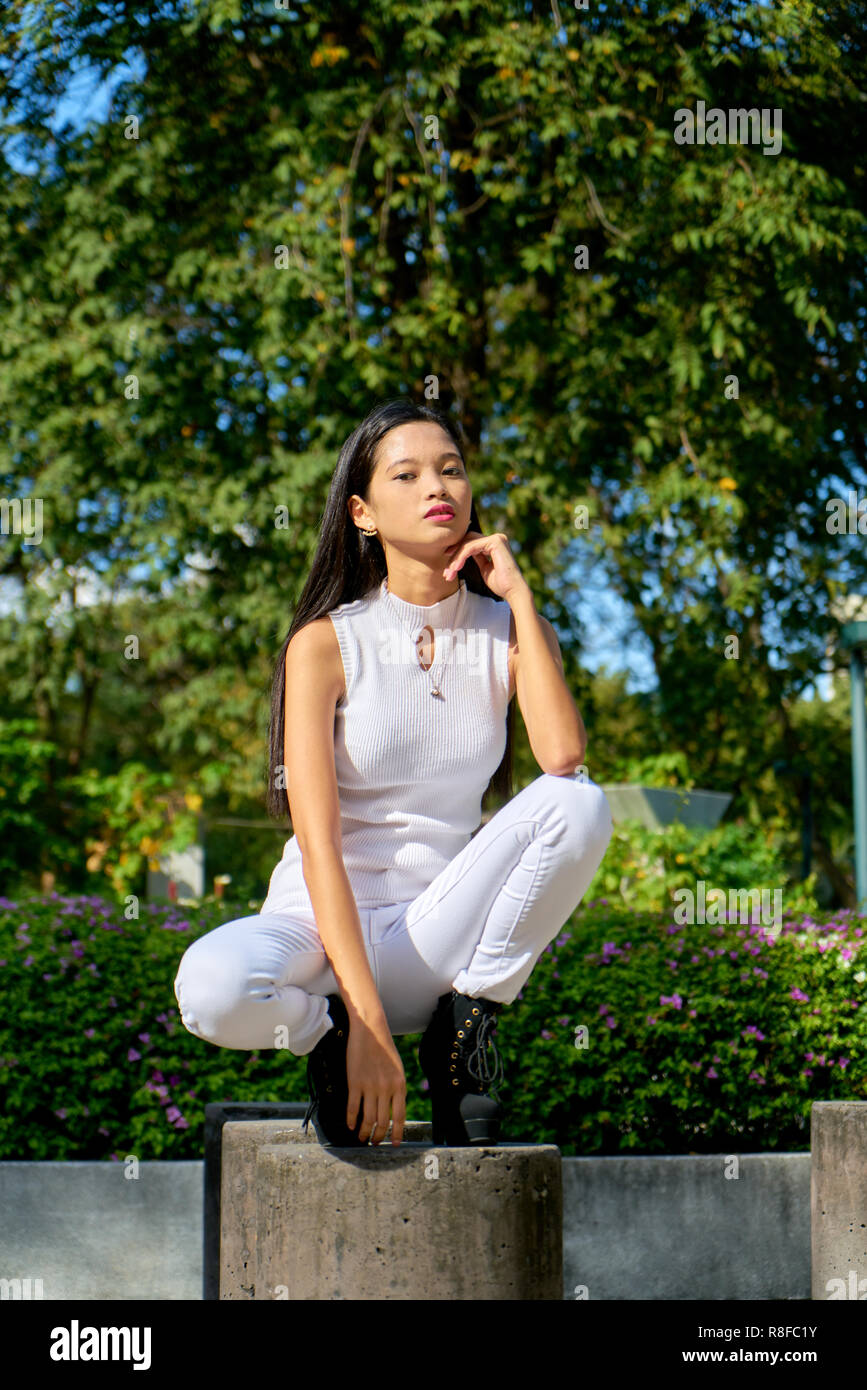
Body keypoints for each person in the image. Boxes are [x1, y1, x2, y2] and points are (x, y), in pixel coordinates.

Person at [173, 397, 614, 1150]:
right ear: (362, 512)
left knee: (579, 803)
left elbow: (560, 758)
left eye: (449, 470)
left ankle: (463, 1041)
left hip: (437, 936)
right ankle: (326, 1045)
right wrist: (362, 1028)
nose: (436, 487)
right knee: (210, 990)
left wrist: (520, 598)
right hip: (316, 933)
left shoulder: (510, 630)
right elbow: (317, 849)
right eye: (405, 475)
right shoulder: (324, 644)